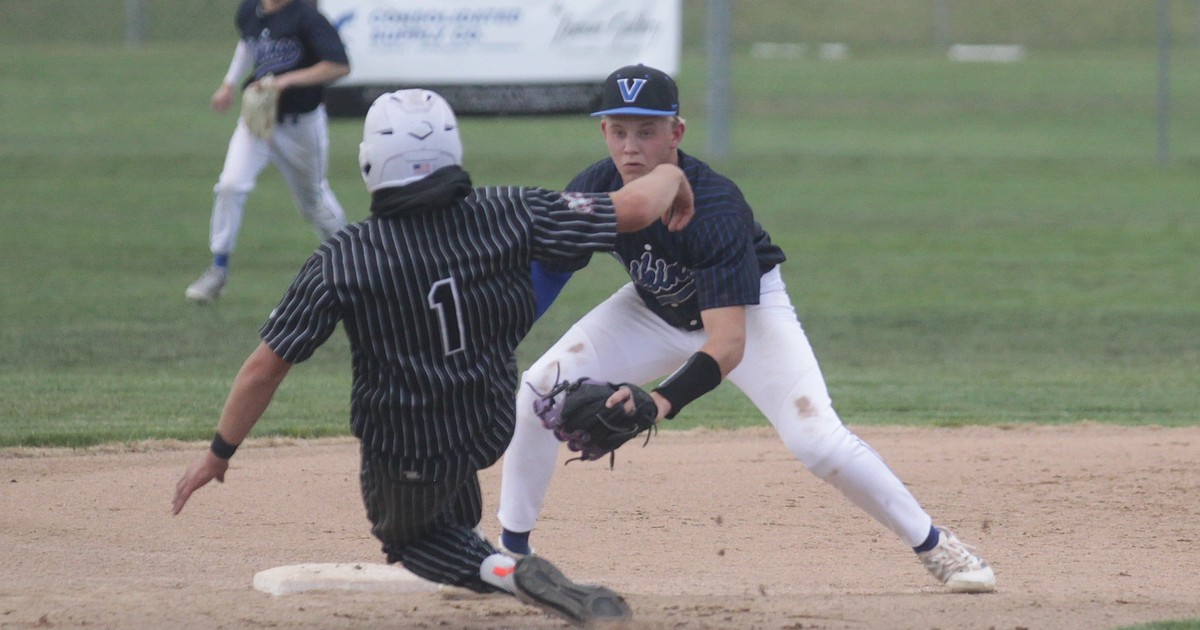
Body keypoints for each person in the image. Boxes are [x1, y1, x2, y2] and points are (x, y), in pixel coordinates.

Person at [172, 89, 695, 626]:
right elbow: (635, 209)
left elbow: (265, 367)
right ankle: (475, 544)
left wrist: (219, 452)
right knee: (450, 490)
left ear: (372, 161)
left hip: (408, 442)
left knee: (412, 539)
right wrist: (672, 175)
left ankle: (510, 572)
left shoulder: (345, 256)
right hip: (488, 420)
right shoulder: (511, 210)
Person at [497, 64, 997, 594]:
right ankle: (511, 554)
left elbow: (728, 341)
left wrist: (658, 402)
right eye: (619, 131)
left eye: (646, 131)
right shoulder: (596, 188)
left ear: (676, 132)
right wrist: (496, 345)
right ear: (604, 132)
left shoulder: (715, 206)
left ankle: (935, 544)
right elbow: (548, 273)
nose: (631, 146)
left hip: (747, 312)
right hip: (651, 309)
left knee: (817, 441)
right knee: (538, 388)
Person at [185, 0, 351, 305]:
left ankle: (352, 262)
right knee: (231, 185)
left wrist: (285, 80)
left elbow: (339, 65)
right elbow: (247, 45)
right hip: (257, 121)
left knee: (313, 201)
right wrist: (228, 84)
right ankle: (218, 269)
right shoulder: (250, 10)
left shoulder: (307, 18)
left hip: (301, 127)